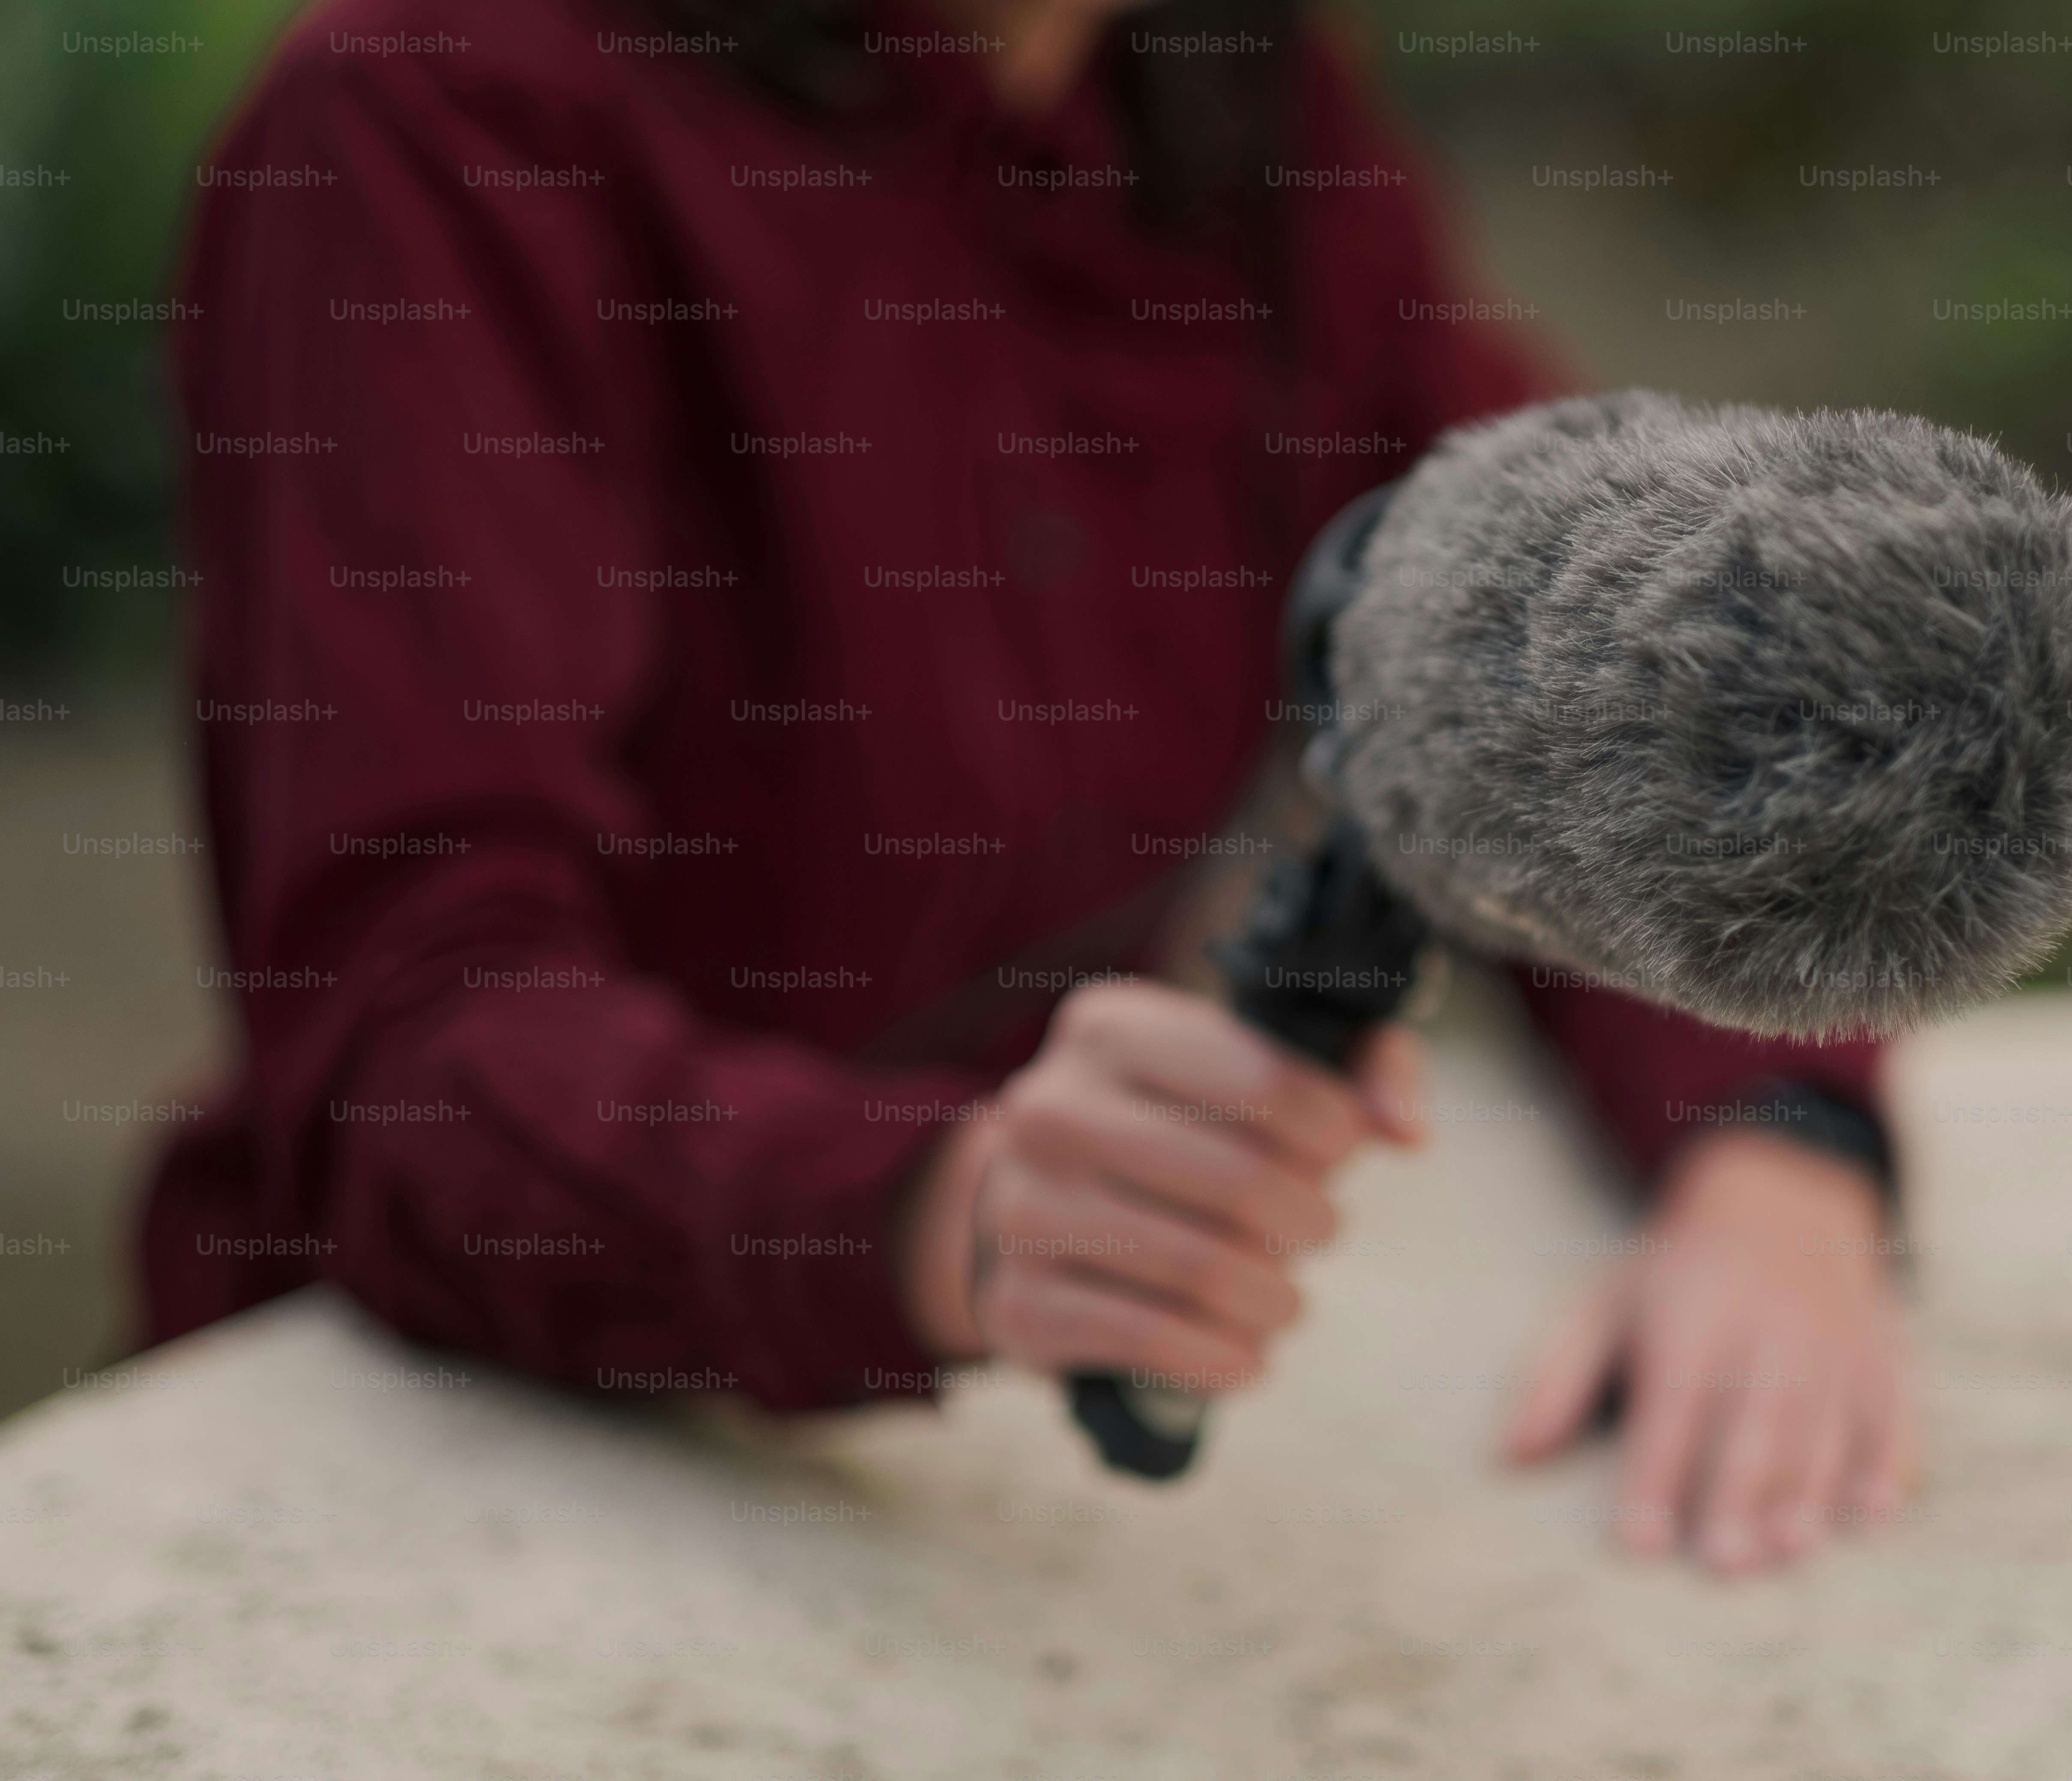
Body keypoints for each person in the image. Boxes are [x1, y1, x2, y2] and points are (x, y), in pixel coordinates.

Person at [149, 0, 1911, 1575]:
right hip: (449, 1458)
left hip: (1029, 1447)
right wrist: (938, 1209)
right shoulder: (434, 114)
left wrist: (1773, 1138)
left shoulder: (1233, 96)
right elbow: (408, 1043)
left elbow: (1565, 647)